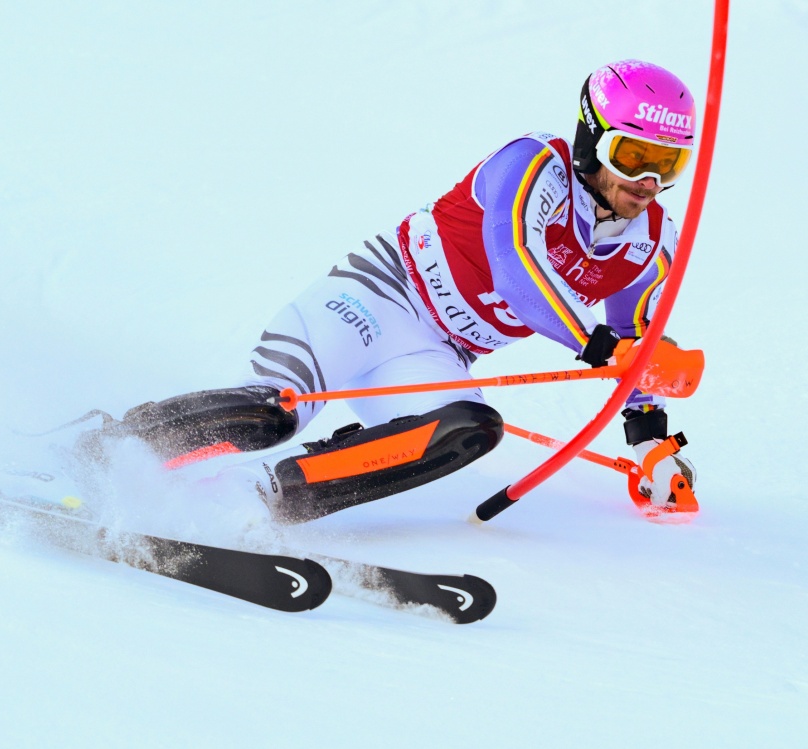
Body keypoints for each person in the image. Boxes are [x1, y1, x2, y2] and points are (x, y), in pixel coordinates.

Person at [104, 59, 698, 523]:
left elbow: (632, 340)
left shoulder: (653, 241)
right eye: (635, 156)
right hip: (372, 301)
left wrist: (650, 443)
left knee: (469, 428)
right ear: (593, 137)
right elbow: (518, 266)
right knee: (273, 413)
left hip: (435, 356)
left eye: (668, 164)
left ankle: (257, 502)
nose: (649, 182)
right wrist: (596, 347)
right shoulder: (533, 163)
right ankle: (108, 450)